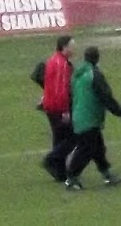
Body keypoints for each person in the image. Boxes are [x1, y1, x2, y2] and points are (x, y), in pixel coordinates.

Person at [62, 45, 121, 190]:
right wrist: (119, 112)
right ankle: (71, 178)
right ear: (97, 59)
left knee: (98, 148)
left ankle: (107, 174)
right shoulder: (94, 75)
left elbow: (71, 95)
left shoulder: (77, 74)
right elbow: (105, 96)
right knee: (86, 149)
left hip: (79, 115)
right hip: (89, 117)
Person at [29, 34, 76, 182]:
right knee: (73, 137)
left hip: (50, 105)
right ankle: (51, 159)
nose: (74, 48)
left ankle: (60, 172)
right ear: (65, 47)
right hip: (57, 107)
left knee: (59, 137)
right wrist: (65, 110)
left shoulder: (53, 60)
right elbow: (61, 89)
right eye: (72, 45)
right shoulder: (62, 64)